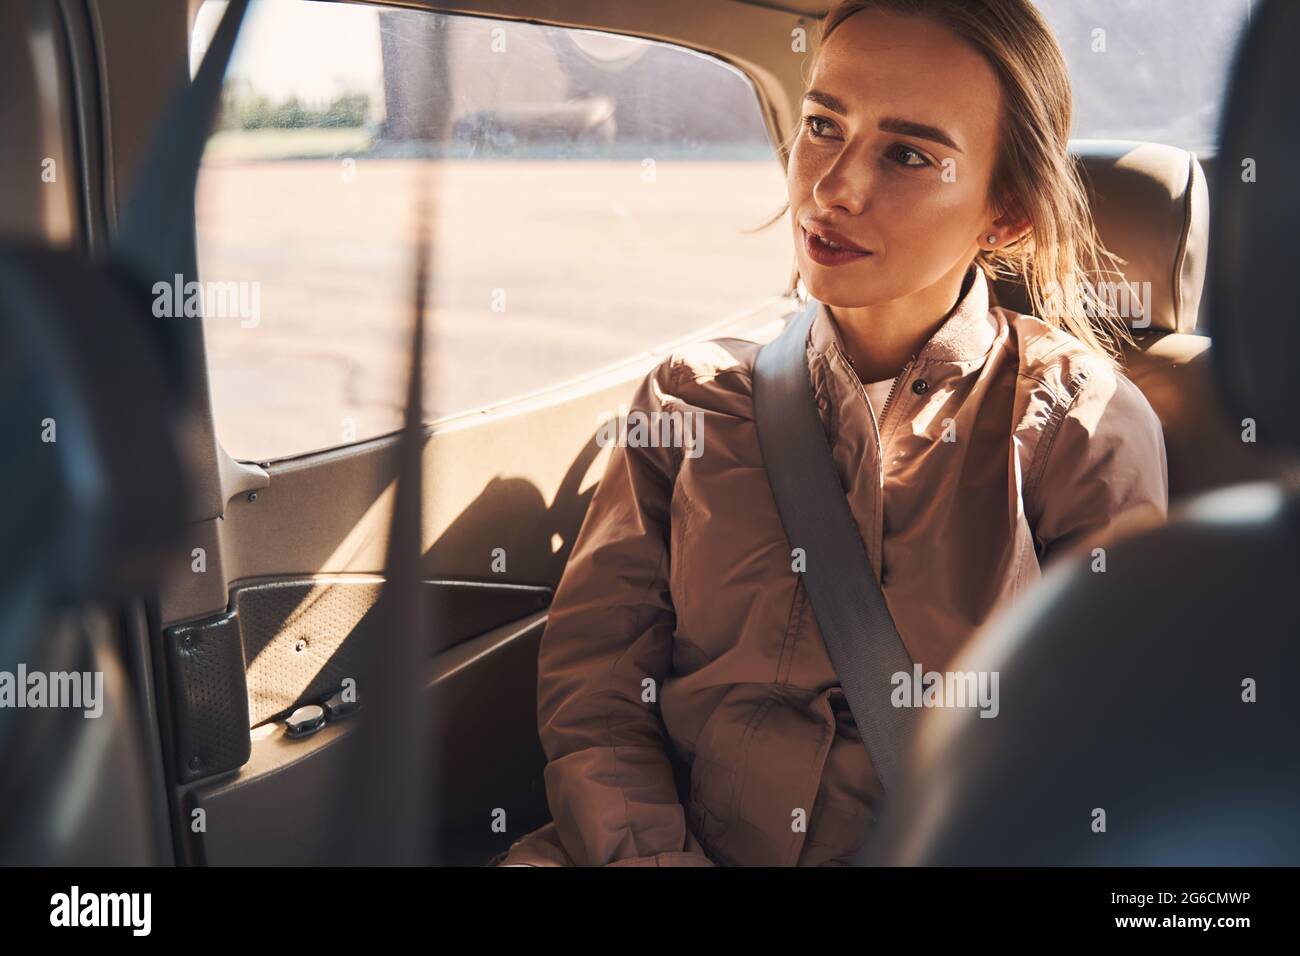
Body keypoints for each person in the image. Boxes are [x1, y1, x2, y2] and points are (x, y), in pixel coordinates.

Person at [495, 0, 1167, 867]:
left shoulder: (1078, 424)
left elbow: (1104, 754)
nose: (834, 186)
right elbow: (598, 693)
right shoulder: (687, 399)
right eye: (822, 125)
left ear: (1004, 216)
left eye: (910, 154)